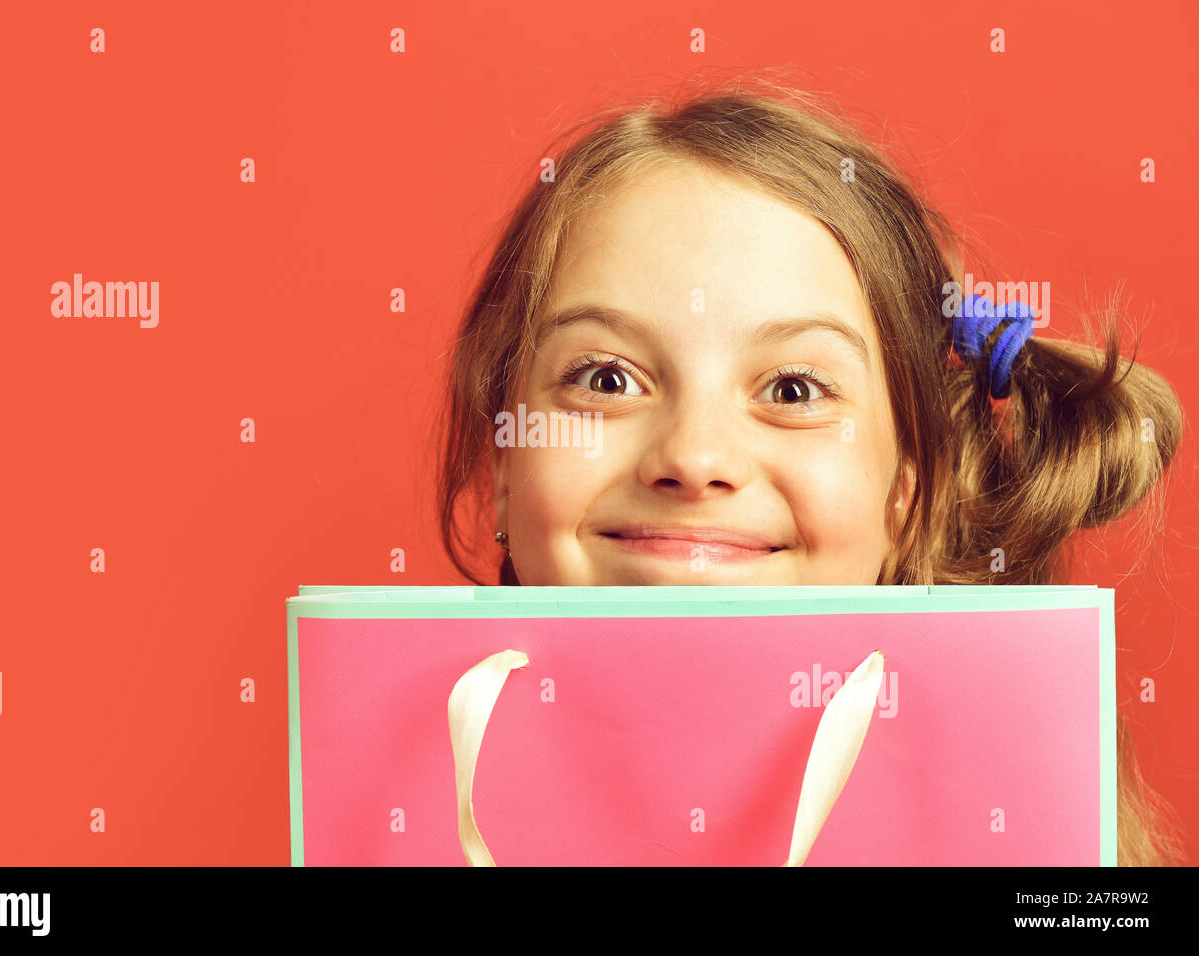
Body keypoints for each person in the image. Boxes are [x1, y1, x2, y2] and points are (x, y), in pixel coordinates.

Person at [434, 76, 1188, 866]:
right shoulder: (385, 795)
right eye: (606, 379)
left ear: (908, 492)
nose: (694, 459)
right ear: (504, 456)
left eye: (794, 389)